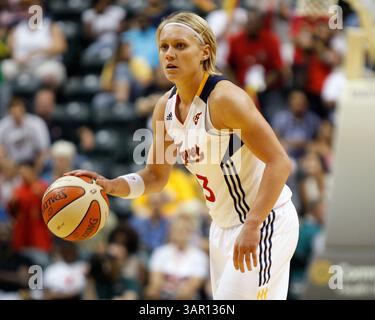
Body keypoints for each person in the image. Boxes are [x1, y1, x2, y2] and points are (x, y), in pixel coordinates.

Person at [66, 11, 299, 300]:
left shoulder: (226, 99)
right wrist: (111, 185)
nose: (169, 54)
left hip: (263, 221)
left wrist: (253, 226)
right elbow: (155, 176)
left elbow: (280, 162)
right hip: (221, 228)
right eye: (164, 47)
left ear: (205, 52)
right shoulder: (164, 108)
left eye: (180, 46)